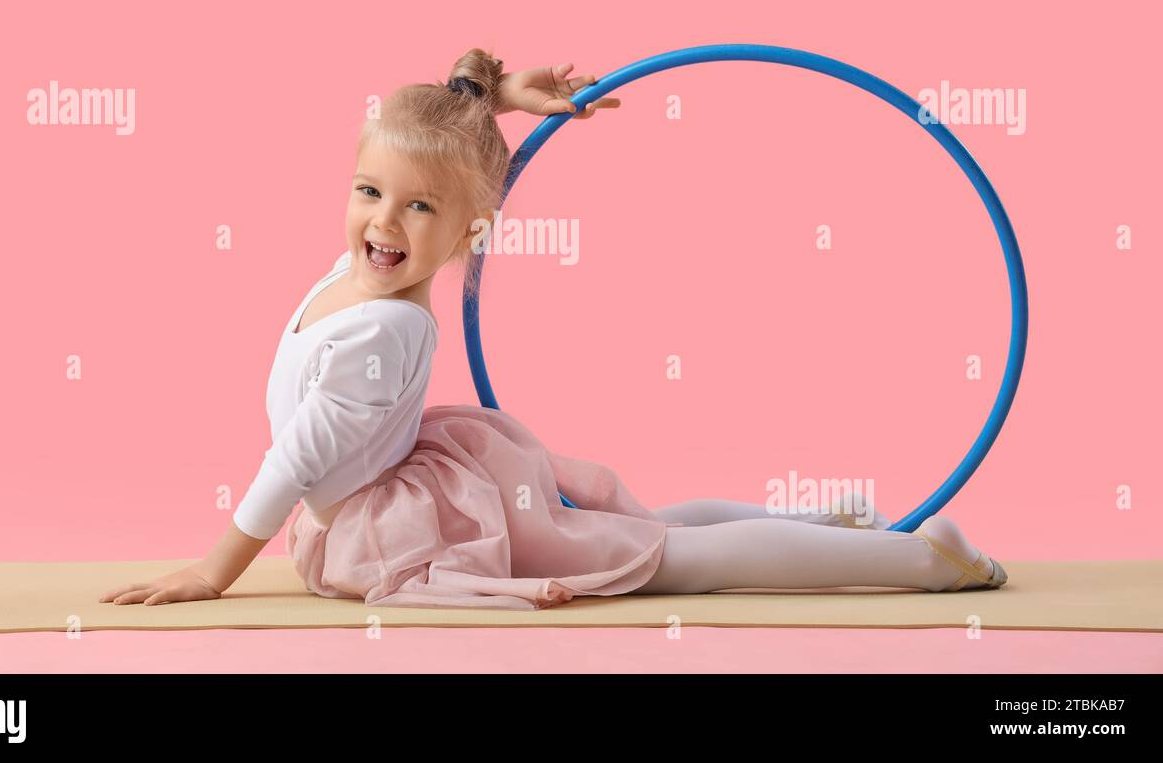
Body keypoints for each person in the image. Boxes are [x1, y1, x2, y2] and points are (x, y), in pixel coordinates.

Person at [100, 48, 1006, 611]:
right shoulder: (368, 265)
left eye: (420, 210)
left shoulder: (381, 331)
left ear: (468, 237)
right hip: (423, 487)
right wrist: (490, 96)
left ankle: (921, 562)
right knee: (628, 528)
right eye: (369, 193)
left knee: (665, 562)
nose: (384, 223)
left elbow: (296, 461)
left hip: (404, 519)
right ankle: (829, 521)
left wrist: (214, 571)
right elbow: (437, 135)